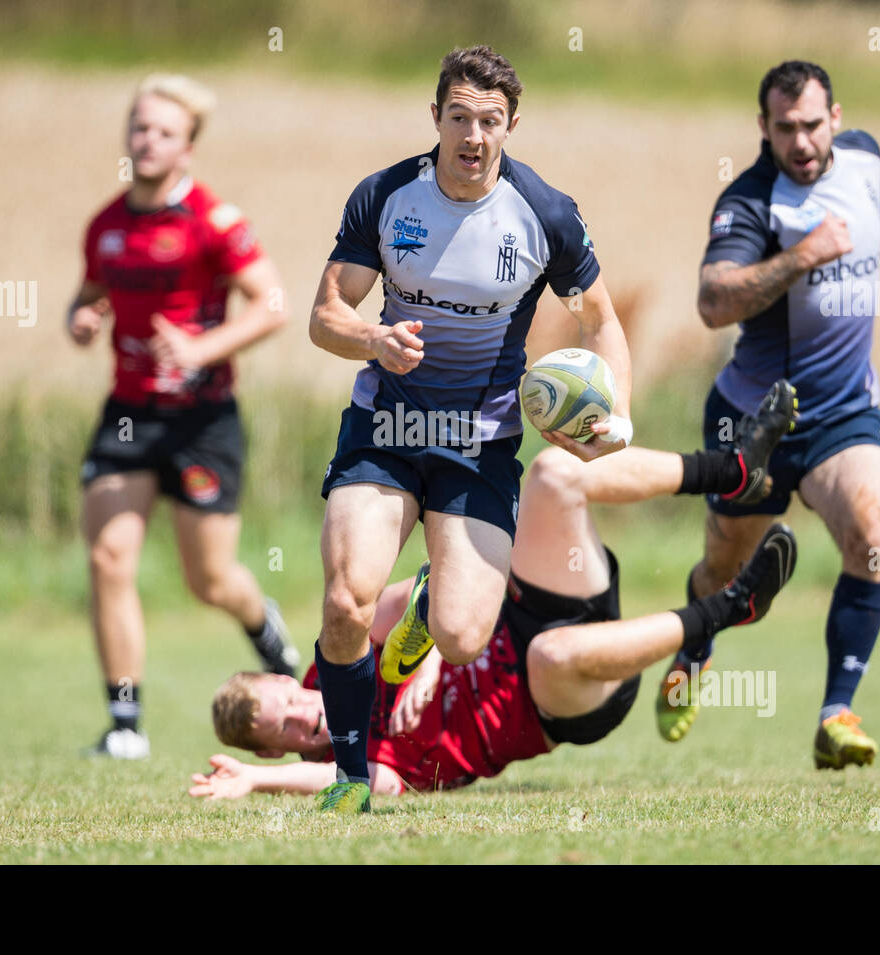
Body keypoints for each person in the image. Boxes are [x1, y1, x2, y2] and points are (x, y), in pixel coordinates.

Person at [190, 382, 797, 804]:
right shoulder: (344, 765)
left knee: (554, 474)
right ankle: (728, 607)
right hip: (565, 697)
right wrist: (251, 781)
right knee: (550, 655)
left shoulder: (335, 669)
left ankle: (733, 471)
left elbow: (409, 595)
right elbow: (375, 784)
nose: (308, 718)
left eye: (291, 704)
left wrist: (429, 655)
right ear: (277, 755)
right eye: (289, 732)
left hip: (530, 604)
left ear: (284, 681)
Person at [307, 45, 634, 811]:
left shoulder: (545, 212)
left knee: (461, 637)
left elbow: (602, 318)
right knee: (348, 601)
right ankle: (351, 776)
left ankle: (426, 599)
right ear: (436, 118)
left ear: (511, 125)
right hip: (383, 428)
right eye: (460, 117)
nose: (474, 136)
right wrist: (373, 339)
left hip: (479, 446)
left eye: (490, 121)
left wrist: (614, 414)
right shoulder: (387, 197)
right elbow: (326, 316)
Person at [662, 60, 880, 769]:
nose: (801, 142)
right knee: (726, 568)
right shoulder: (751, 202)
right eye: (784, 127)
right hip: (752, 424)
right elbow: (712, 302)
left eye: (813, 125)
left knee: (873, 533)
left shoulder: (861, 159)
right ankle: (693, 649)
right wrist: (802, 257)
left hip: (843, 414)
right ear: (762, 128)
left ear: (837, 119)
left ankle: (836, 713)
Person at [67, 73, 296, 759]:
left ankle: (272, 638)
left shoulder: (213, 224)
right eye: (139, 127)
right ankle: (125, 723)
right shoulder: (106, 226)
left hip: (202, 420)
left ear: (188, 146)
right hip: (129, 416)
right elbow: (89, 295)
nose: (146, 140)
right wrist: (81, 317)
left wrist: (201, 348)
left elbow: (273, 304)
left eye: (163, 131)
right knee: (109, 556)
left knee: (211, 581)